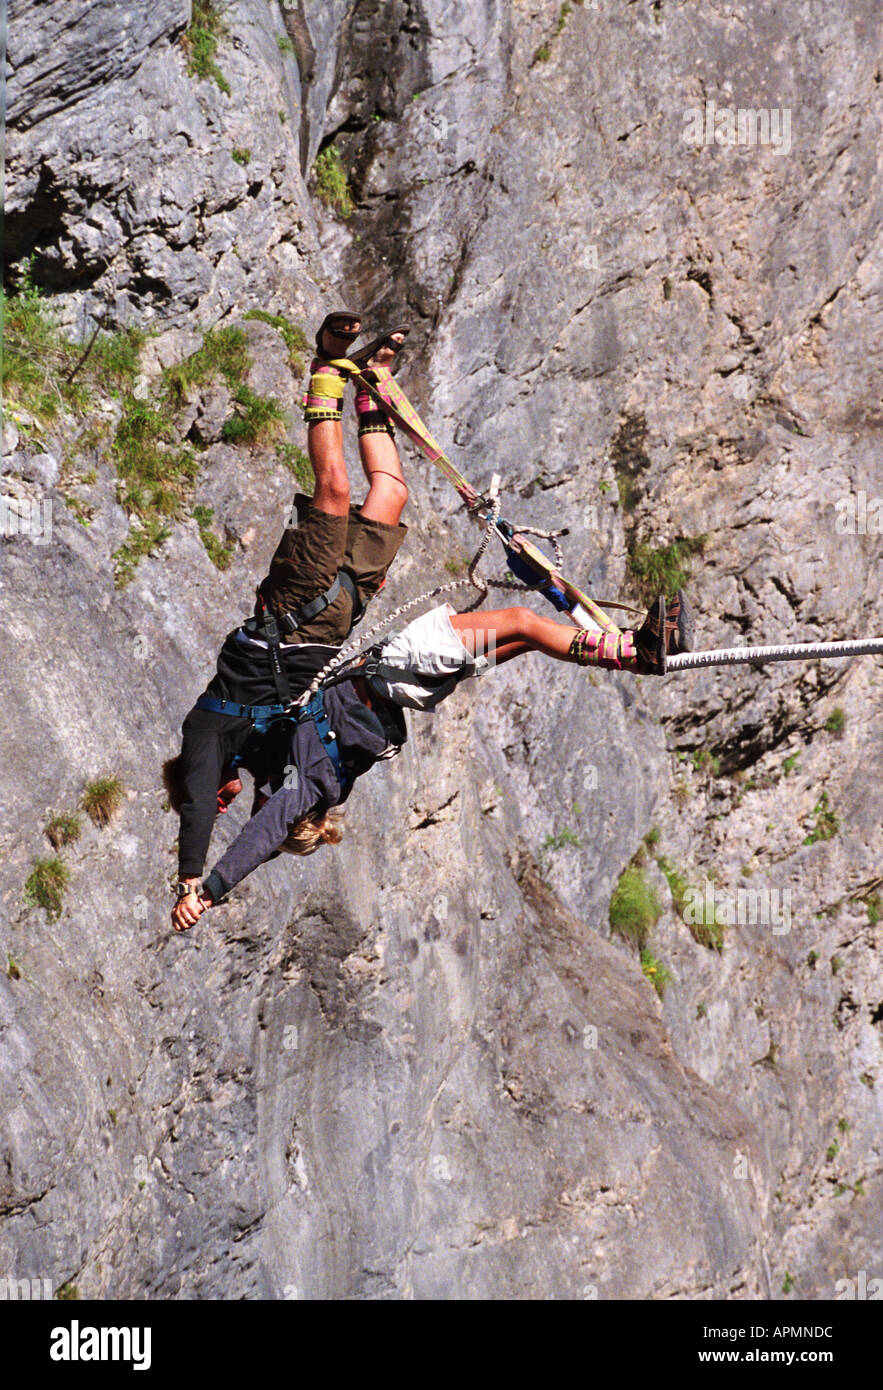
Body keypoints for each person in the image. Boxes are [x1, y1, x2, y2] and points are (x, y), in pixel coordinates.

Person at [171, 590, 694, 930]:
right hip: (400, 669)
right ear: (293, 818)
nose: (260, 808)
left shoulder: (291, 769)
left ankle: (630, 651)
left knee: (520, 637)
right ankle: (635, 654)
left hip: (405, 683)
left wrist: (221, 776)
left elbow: (246, 758)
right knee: (522, 622)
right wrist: (208, 889)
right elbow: (259, 838)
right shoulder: (301, 788)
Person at [165, 312, 409, 921]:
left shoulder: (204, 737)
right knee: (391, 496)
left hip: (294, 600)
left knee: (331, 491)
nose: (225, 799)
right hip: (339, 616)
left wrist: (189, 882)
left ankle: (326, 367)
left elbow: (197, 808)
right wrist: (224, 884)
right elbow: (268, 832)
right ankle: (373, 383)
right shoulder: (257, 755)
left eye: (221, 796)